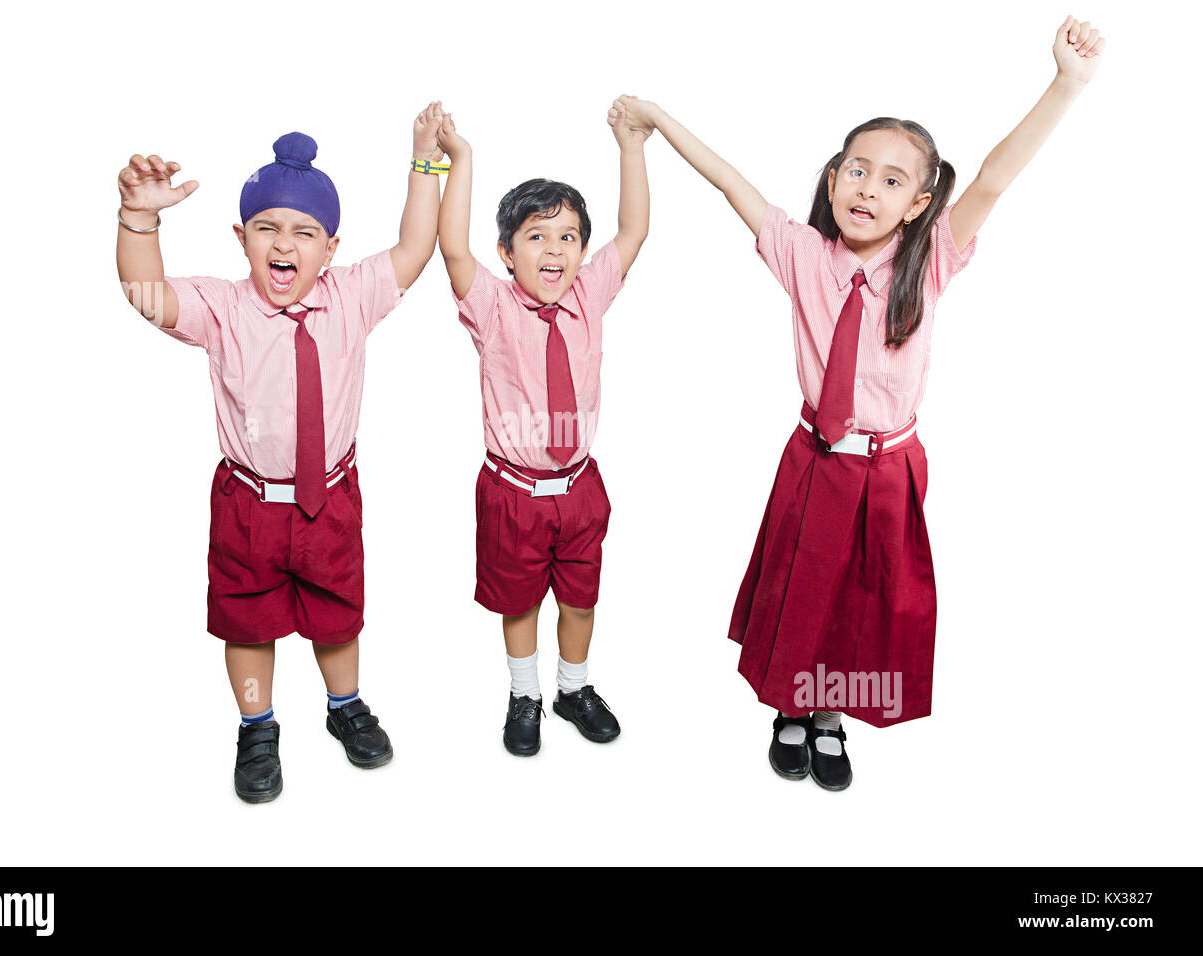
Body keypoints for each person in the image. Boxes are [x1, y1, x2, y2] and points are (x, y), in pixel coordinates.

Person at [617, 18, 1105, 790]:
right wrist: (654, 119)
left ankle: (830, 715)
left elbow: (991, 179)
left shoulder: (931, 260)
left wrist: (1067, 84)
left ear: (917, 204)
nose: (867, 188)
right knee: (800, 584)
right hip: (814, 460)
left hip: (886, 469)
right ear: (833, 179)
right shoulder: (803, 255)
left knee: (861, 599)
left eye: (890, 180)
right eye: (855, 170)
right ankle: (789, 706)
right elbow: (729, 182)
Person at [114, 105, 444, 802]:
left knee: (337, 612)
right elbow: (148, 296)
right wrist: (139, 219)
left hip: (330, 496)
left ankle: (344, 705)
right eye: (267, 228)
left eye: (304, 231)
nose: (284, 243)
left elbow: (415, 249)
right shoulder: (223, 306)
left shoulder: (352, 295)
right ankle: (257, 723)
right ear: (241, 237)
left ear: (331, 246)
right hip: (250, 505)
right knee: (248, 618)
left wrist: (424, 160)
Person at [434, 99, 649, 755]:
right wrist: (457, 159)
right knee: (520, 602)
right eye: (536, 235)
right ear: (506, 251)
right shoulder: (493, 307)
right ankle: (525, 693)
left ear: (583, 251)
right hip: (514, 491)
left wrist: (630, 147)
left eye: (567, 237)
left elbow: (634, 230)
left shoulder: (589, 294)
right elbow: (449, 247)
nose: (554, 249)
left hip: (579, 488)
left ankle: (573, 687)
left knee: (581, 599)